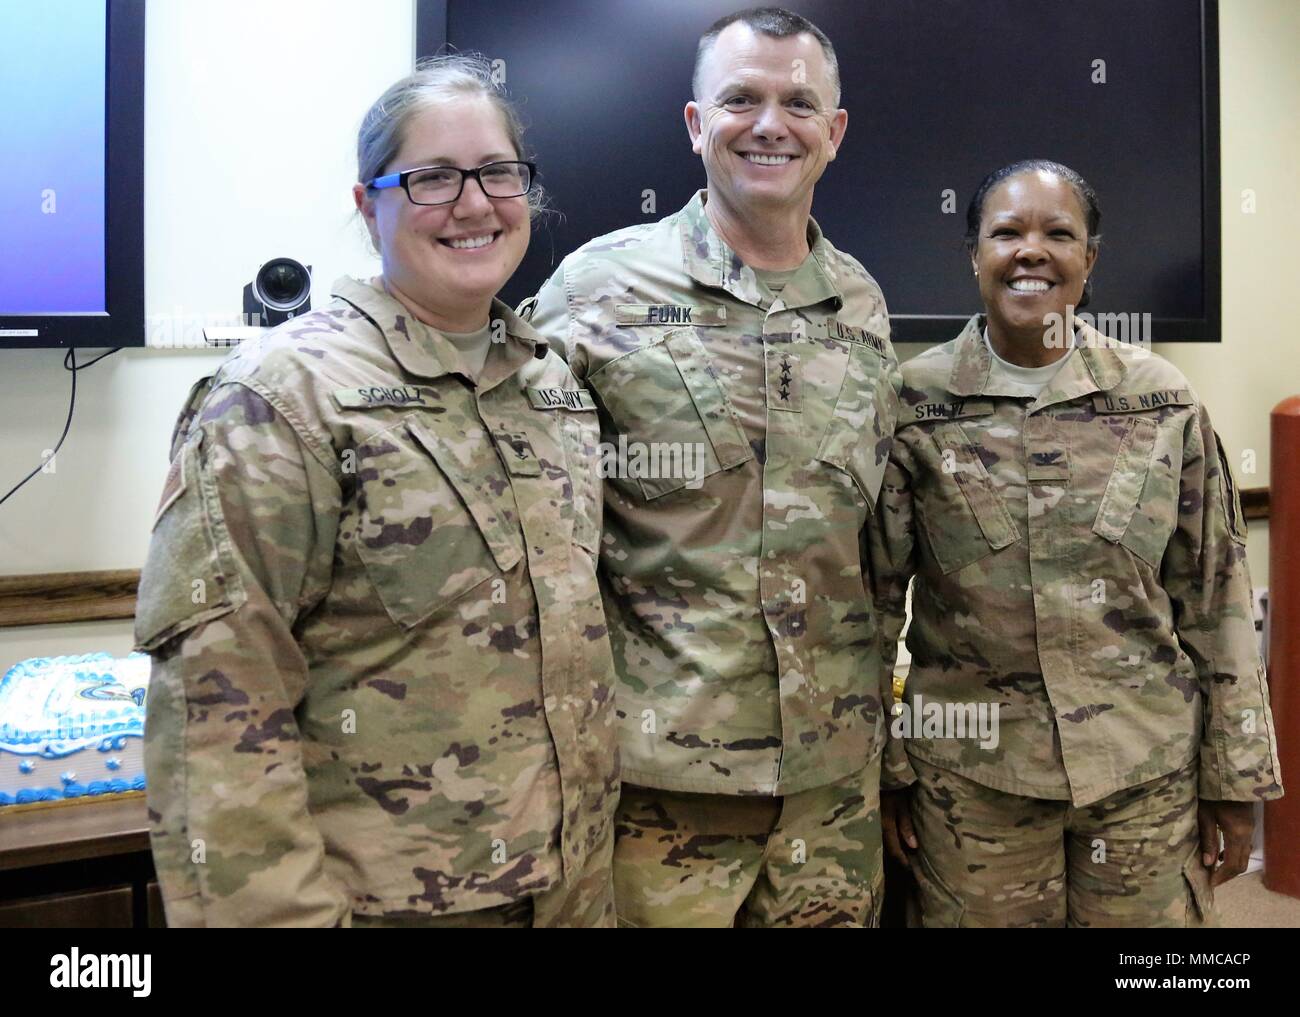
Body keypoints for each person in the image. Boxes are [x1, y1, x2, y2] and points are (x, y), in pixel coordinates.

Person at [135, 55, 619, 928]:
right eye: (432, 178)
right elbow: (215, 708)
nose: (474, 204)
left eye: (498, 173)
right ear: (369, 205)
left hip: (571, 890)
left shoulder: (553, 388)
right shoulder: (281, 395)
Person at [524, 7, 900, 927]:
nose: (770, 124)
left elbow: (873, 541)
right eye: (740, 99)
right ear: (697, 125)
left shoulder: (860, 304)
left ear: (833, 133)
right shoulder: (596, 288)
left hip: (831, 785)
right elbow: (538, 537)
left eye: (798, 103)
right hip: (661, 783)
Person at [872, 159, 1283, 927]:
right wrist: (886, 769)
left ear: (1089, 259)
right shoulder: (913, 405)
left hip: (1142, 780)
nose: (1032, 250)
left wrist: (1235, 777)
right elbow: (869, 603)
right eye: (1006, 232)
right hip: (973, 785)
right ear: (974, 253)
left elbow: (1216, 596)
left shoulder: (1160, 399)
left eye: (1059, 233)